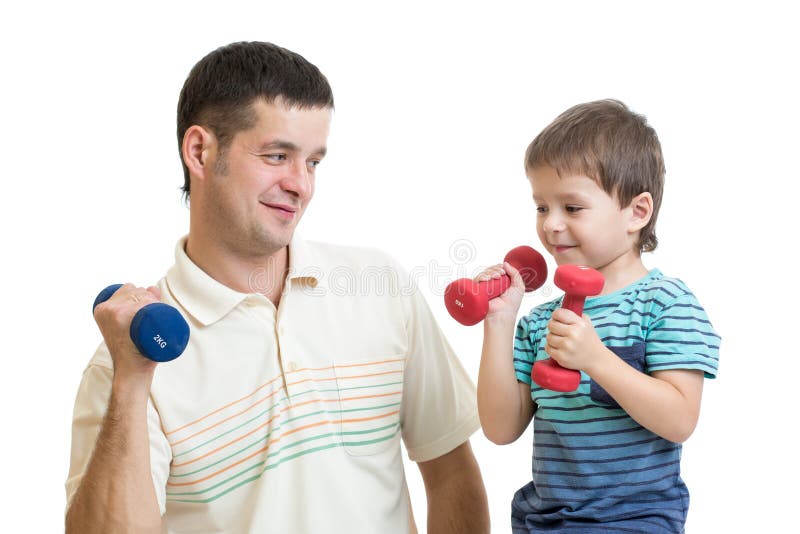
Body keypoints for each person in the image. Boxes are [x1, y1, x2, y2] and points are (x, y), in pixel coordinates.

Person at [65, 41, 489, 534]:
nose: (301, 185)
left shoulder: (382, 289)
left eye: (312, 162)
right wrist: (132, 382)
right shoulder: (128, 362)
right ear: (200, 151)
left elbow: (451, 473)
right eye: (277, 155)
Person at [476, 99, 720, 533]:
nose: (551, 224)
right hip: (543, 523)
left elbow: (680, 420)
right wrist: (499, 322)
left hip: (635, 522)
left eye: (572, 208)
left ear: (636, 212)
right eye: (541, 206)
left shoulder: (665, 303)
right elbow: (499, 428)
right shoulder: (539, 322)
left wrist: (596, 359)